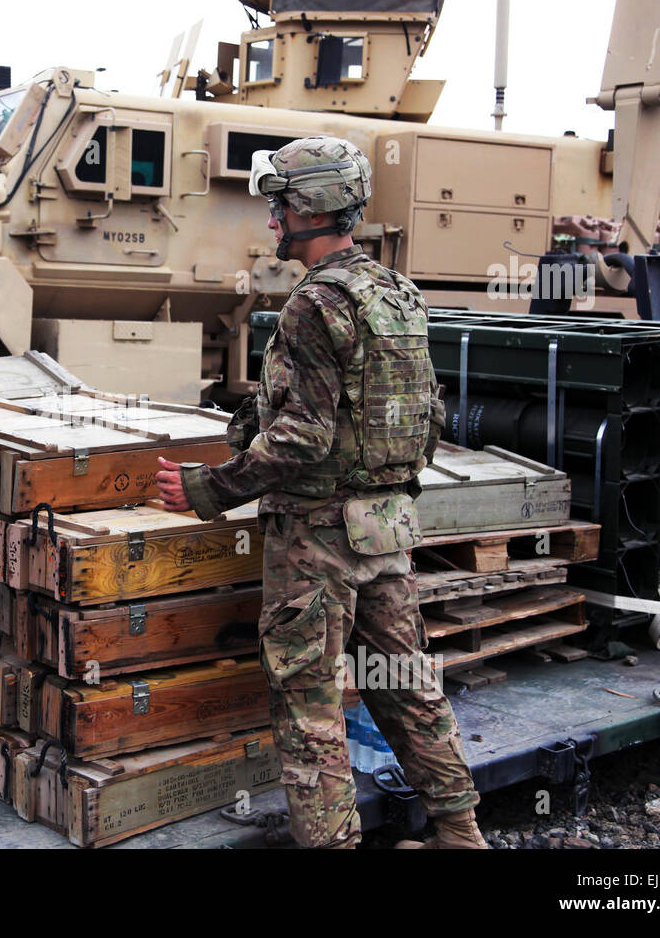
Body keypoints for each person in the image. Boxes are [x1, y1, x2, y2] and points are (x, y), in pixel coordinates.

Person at [156, 136, 485, 849]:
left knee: (308, 704)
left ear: (308, 208)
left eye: (278, 206)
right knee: (407, 686)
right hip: (388, 525)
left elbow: (303, 438)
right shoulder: (397, 292)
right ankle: (461, 834)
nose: (271, 222)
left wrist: (209, 490)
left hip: (318, 535)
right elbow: (424, 416)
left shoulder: (314, 304)